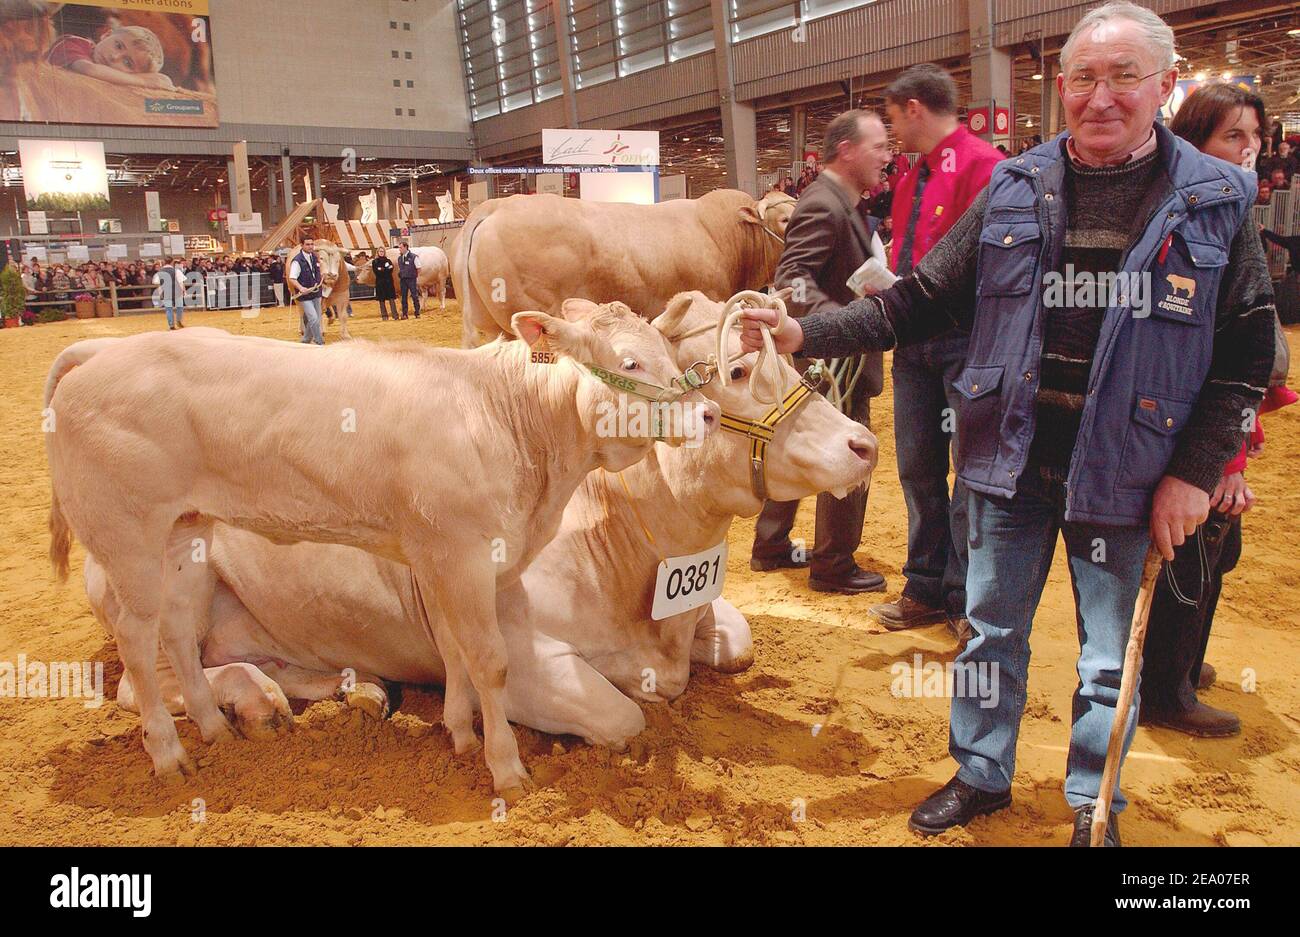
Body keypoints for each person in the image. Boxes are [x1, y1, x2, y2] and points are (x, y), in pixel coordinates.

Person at [739, 1, 1275, 846]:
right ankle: (982, 773)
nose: (1102, 97)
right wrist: (807, 331)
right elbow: (920, 298)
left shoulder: (1216, 198)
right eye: (1084, 79)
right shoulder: (1019, 184)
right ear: (1061, 88)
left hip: (1130, 471)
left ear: (1166, 85)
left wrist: (1197, 470)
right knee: (990, 632)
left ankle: (1094, 805)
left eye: (1124, 76)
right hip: (1008, 458)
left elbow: (1248, 352)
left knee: (1106, 661)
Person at [1137, 80, 1297, 737]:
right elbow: (1207, 359)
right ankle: (1163, 688)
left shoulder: (1231, 215)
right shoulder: (1184, 221)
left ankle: (1179, 663)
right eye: (1233, 136)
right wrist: (1222, 459)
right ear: (1193, 140)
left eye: (1256, 139)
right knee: (1190, 555)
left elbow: (1254, 354)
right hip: (1184, 432)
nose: (1250, 152)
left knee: (1215, 555)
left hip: (1217, 427)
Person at [866, 63, 1003, 641]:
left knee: (969, 473)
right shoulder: (915, 173)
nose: (894, 131)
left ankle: (967, 599)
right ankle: (925, 585)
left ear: (914, 108)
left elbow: (995, 261)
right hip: (915, 342)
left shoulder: (986, 167)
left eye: (894, 118)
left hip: (964, 340)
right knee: (918, 467)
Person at [749, 109, 892, 594]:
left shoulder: (840, 203)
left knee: (795, 441)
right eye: (879, 147)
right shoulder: (825, 205)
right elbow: (791, 283)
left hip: (824, 359)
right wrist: (847, 318)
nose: (887, 158)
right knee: (850, 452)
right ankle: (833, 564)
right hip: (834, 362)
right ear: (846, 150)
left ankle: (772, 545)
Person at [46, 24, 174, 90]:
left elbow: (165, 80)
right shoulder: (73, 42)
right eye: (118, 46)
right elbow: (89, 69)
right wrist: (144, 81)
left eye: (127, 62)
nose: (114, 56)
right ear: (106, 35)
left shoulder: (116, 80)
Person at [288, 238, 325, 346]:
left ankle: (305, 340)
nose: (310, 246)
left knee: (316, 318)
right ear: (302, 245)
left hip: (316, 293)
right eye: (307, 244)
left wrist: (322, 275)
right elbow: (292, 278)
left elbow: (318, 271)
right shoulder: (297, 261)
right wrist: (300, 288)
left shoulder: (314, 257)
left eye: (312, 244)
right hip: (305, 295)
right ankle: (319, 342)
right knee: (313, 318)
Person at [152, 256, 185, 330]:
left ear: (164, 262)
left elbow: (157, 283)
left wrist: (160, 292)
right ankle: (179, 320)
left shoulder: (159, 272)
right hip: (177, 291)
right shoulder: (176, 271)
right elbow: (181, 282)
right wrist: (183, 290)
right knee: (179, 307)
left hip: (166, 292)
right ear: (172, 262)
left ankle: (171, 325)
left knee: (168, 309)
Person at [371, 248, 397, 321]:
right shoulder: (375, 262)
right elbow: (376, 271)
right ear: (377, 252)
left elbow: (391, 269)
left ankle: (395, 315)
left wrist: (382, 269)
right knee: (381, 300)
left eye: (382, 251)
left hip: (389, 282)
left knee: (391, 299)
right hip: (380, 283)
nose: (381, 253)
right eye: (380, 251)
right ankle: (384, 316)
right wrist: (385, 269)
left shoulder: (388, 261)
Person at [396, 240, 420, 319]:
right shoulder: (400, 258)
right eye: (399, 248)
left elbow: (418, 268)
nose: (399, 249)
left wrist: (414, 276)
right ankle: (405, 314)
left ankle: (417, 312)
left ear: (405, 247)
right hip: (403, 279)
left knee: (414, 296)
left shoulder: (413, 256)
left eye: (401, 247)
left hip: (411, 279)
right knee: (404, 297)